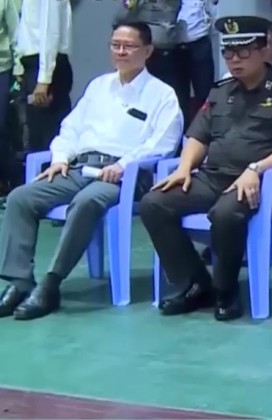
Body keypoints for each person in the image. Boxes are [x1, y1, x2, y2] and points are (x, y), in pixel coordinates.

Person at [0, 20, 183, 321]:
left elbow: (163, 144)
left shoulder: (161, 94)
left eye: (129, 46)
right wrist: (60, 157)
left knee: (87, 202)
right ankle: (19, 282)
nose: (121, 51)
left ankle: (51, 282)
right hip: (81, 166)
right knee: (21, 197)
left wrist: (122, 166)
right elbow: (71, 127)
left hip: (127, 175)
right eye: (115, 45)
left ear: (148, 51)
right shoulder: (99, 86)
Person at [139, 16, 272, 322]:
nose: (234, 60)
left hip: (260, 182)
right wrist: (184, 167)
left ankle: (226, 290)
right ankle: (195, 282)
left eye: (243, 52)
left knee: (224, 213)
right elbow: (197, 135)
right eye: (228, 52)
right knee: (155, 203)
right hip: (213, 176)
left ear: (264, 51)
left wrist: (256, 168)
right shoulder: (220, 91)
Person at [15, 0, 73, 152]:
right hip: (34, 62)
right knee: (35, 134)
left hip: (45, 64)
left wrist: (44, 78)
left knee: (47, 136)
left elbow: (50, 29)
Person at [0, 0, 19, 195]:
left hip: (1, 69)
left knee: (0, 126)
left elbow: (16, 34)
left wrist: (19, 67)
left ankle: (7, 180)